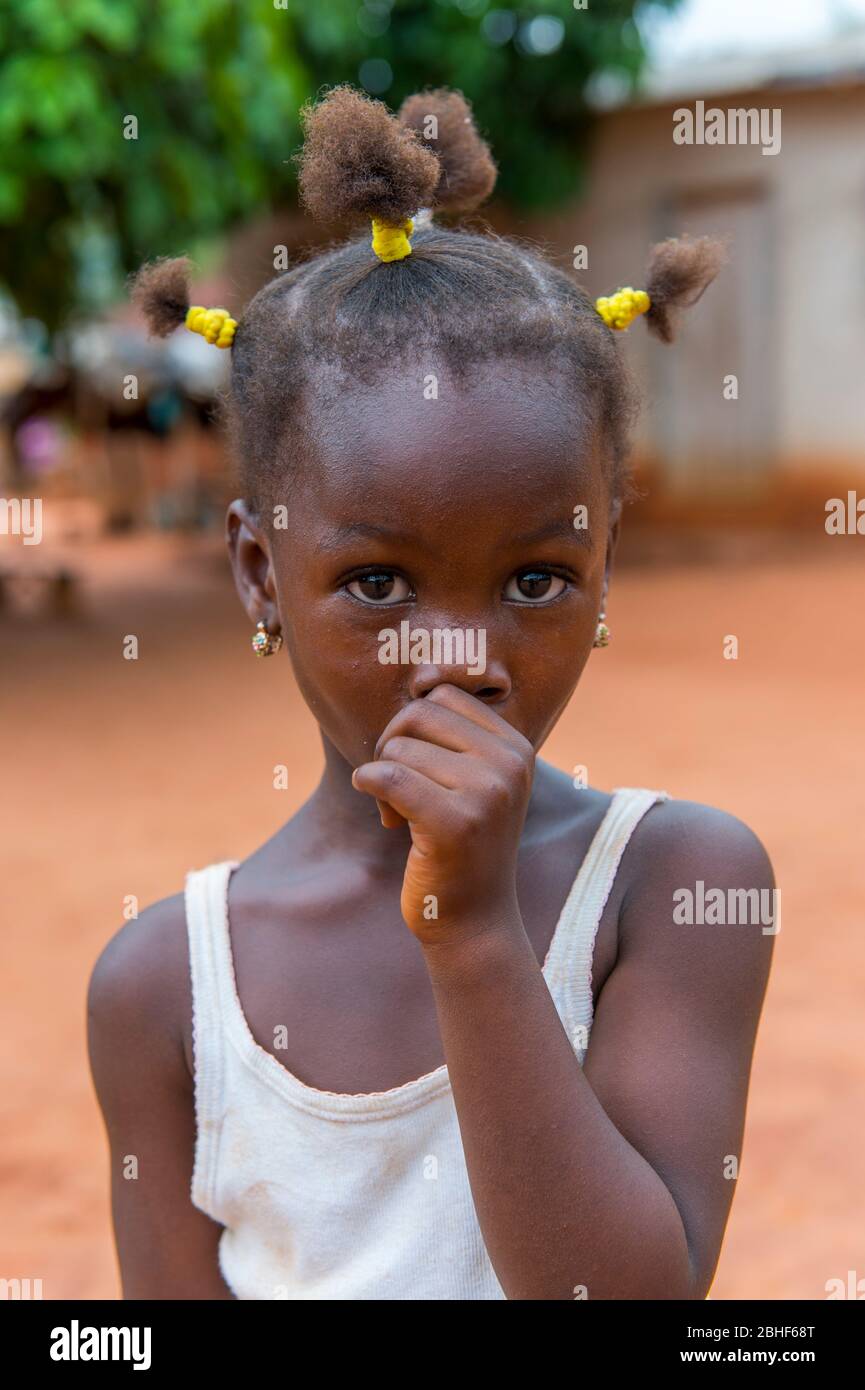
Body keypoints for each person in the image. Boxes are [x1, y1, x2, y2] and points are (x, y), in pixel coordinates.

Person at [87, 86, 775, 1300]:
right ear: (260, 571)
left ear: (603, 563)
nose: (458, 653)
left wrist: (470, 935)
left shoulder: (675, 886)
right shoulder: (165, 987)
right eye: (376, 581)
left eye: (534, 576)